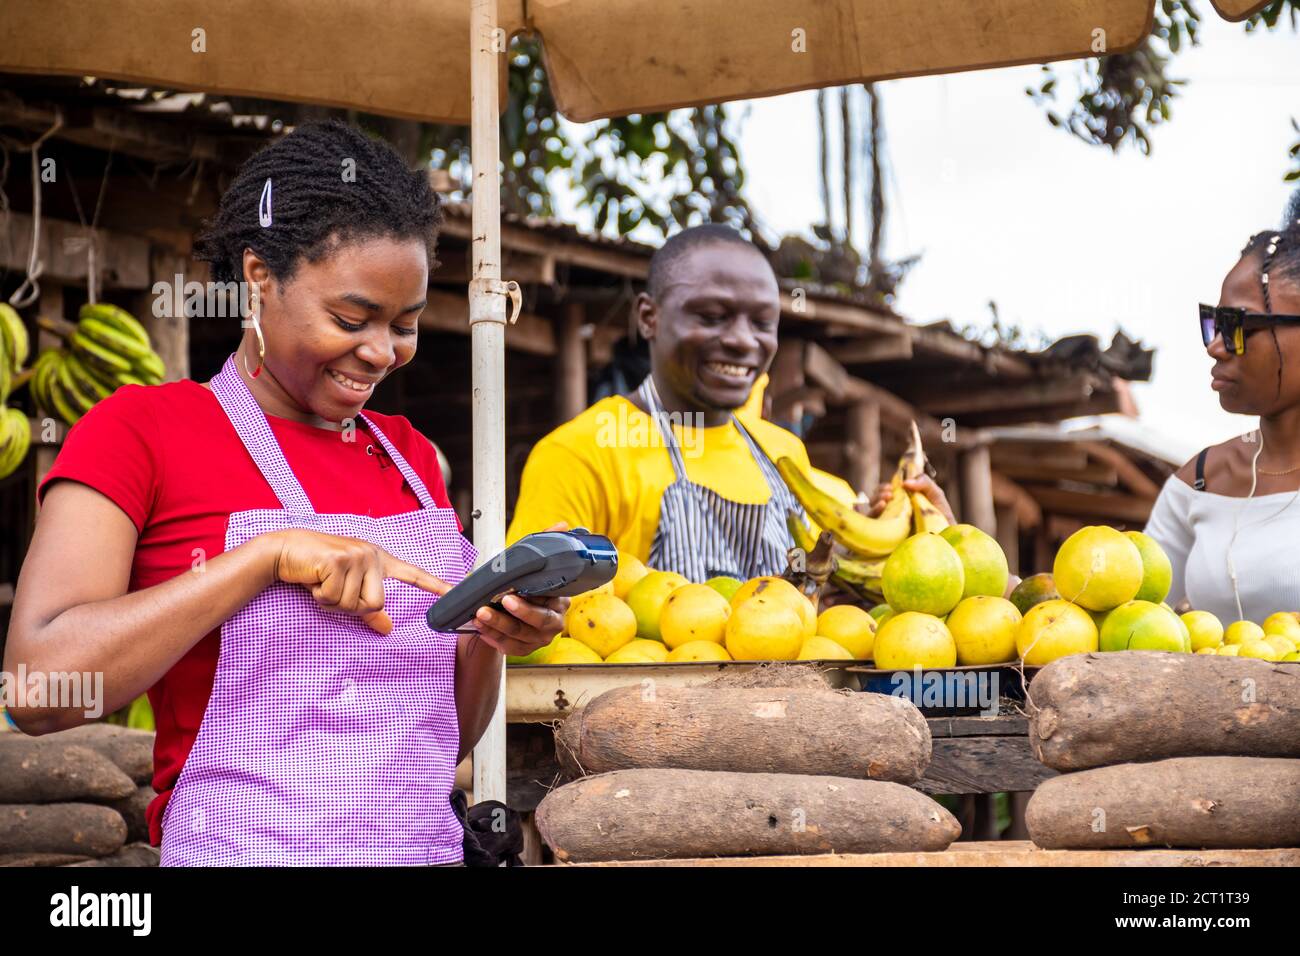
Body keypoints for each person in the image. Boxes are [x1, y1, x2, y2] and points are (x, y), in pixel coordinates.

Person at [2, 121, 564, 866]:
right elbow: (37, 691)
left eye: (406, 324)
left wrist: (495, 636)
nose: (381, 352)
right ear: (259, 277)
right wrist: (261, 560)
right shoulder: (142, 432)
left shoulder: (411, 457)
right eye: (350, 318)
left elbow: (444, 738)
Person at [506, 225, 815, 582]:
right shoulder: (581, 454)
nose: (743, 341)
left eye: (762, 322)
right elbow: (530, 625)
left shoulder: (785, 455)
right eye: (712, 317)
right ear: (649, 318)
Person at [1144, 198, 1300, 624]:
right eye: (1214, 322)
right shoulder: (1200, 479)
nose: (1215, 346)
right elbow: (1125, 614)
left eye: (1236, 325)